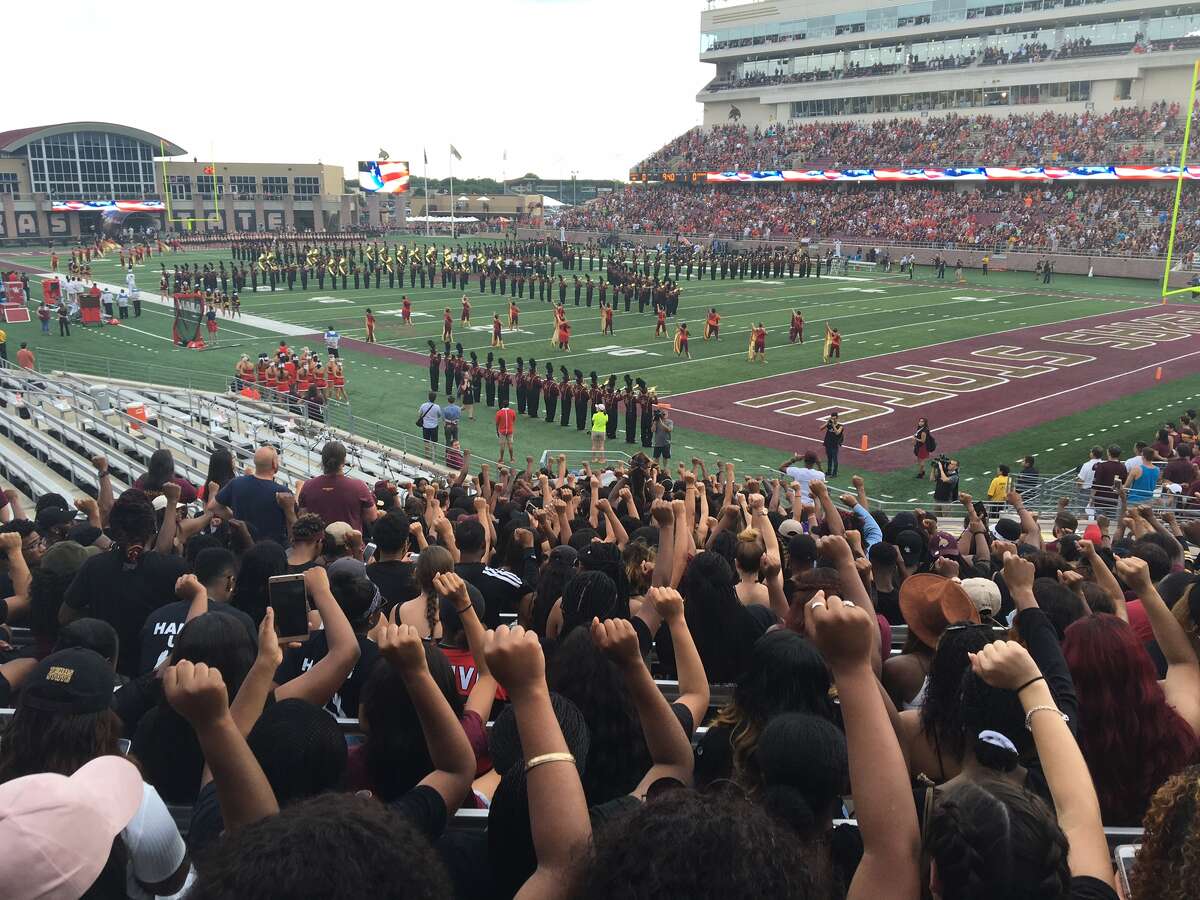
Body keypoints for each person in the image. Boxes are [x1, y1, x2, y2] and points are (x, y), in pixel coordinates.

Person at [209, 446, 295, 545]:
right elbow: (293, 528)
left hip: (241, 544)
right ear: (274, 464)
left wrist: (234, 519)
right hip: (272, 548)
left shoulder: (236, 483)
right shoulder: (283, 492)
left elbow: (213, 506)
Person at [297, 441, 378, 532]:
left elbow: (302, 517)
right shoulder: (359, 486)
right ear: (344, 461)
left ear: (323, 460)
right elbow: (372, 517)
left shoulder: (308, 486)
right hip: (348, 539)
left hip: (319, 539)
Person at [821, 412, 844, 477]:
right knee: (829, 458)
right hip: (828, 444)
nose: (833, 420)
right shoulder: (829, 424)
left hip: (834, 445)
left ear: (837, 418)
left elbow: (837, 433)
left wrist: (833, 425)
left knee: (834, 459)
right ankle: (829, 471)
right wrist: (827, 423)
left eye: (834, 419)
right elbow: (821, 428)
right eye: (832, 418)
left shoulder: (840, 426)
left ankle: (834, 473)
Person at [496, 400, 516, 464]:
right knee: (510, 444)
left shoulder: (499, 412)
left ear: (502, 405)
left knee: (502, 445)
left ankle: (501, 459)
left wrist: (497, 431)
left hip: (502, 431)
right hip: (510, 430)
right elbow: (513, 420)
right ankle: (512, 459)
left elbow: (497, 423)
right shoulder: (512, 412)